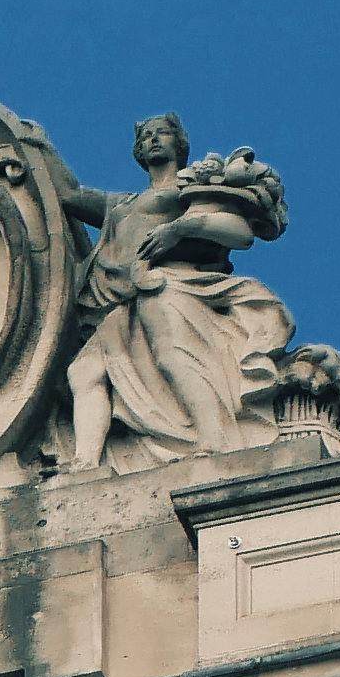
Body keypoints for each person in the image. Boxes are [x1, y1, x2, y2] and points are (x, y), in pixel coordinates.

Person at [60, 116, 296, 468]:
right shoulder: (123, 204)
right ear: (138, 151)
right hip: (125, 302)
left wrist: (180, 228)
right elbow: (69, 196)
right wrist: (25, 148)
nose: (154, 140)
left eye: (163, 134)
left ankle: (213, 441)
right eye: (146, 136)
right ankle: (85, 464)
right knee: (84, 372)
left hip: (167, 287)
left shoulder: (188, 189)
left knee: (175, 358)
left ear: (179, 144)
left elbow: (239, 232)